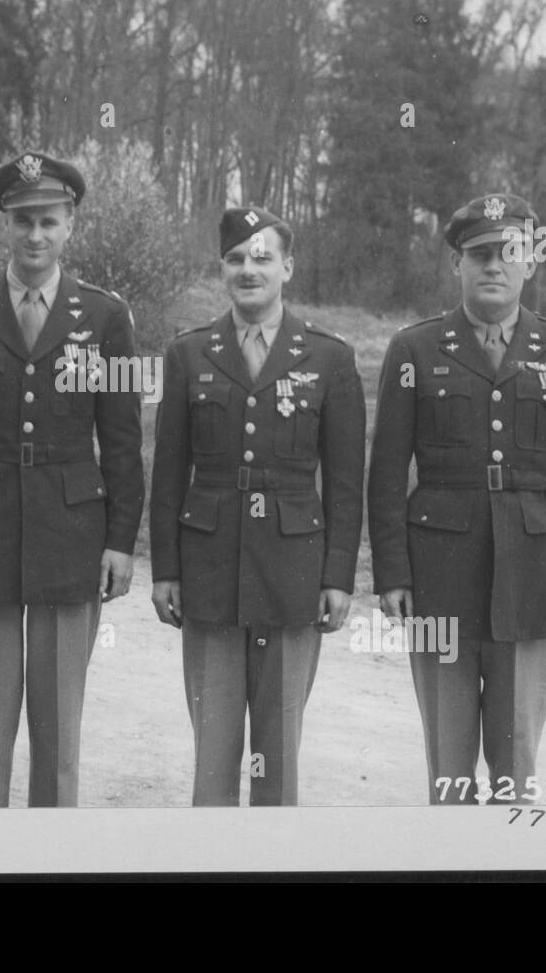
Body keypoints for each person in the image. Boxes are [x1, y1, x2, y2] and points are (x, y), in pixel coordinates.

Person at [0, 151, 144, 807]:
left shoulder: (105, 318)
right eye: (22, 222)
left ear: (71, 223)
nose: (35, 236)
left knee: (57, 730)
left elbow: (123, 441)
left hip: (71, 534)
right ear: (5, 226)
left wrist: (121, 542)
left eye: (48, 221)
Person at [367, 193, 546, 805]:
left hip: (532, 578)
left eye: (510, 253)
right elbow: (388, 473)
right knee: (448, 772)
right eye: (479, 255)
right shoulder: (415, 350)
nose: (494, 265)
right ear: (457, 265)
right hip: (438, 577)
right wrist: (392, 571)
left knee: (516, 769)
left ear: (531, 263)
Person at [150, 206, 366, 806]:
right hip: (209, 573)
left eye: (262, 257)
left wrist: (337, 578)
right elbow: (167, 475)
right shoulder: (188, 354)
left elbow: (346, 484)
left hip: (293, 574)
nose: (249, 270)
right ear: (223, 268)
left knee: (279, 758)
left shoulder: (328, 357)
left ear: (287, 267)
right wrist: (166, 570)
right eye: (237, 258)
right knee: (213, 758)